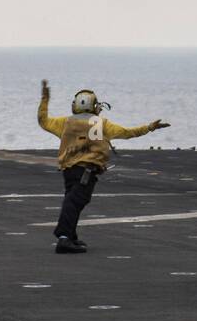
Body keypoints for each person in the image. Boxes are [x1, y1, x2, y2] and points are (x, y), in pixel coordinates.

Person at [37, 79, 170, 254]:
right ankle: (64, 238)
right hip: (87, 170)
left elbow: (43, 121)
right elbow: (128, 133)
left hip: (68, 169)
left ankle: (71, 236)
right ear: (94, 105)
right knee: (75, 201)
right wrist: (150, 127)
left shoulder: (65, 122)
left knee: (74, 200)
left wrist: (45, 99)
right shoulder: (102, 124)